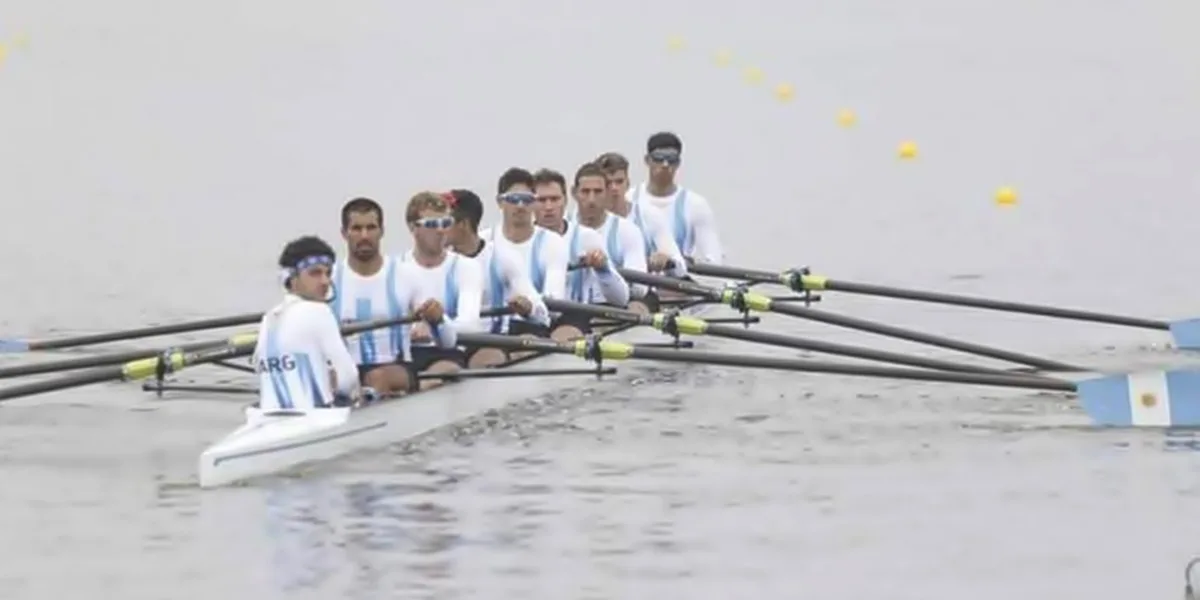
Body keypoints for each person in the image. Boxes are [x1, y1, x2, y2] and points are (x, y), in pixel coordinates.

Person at [329, 197, 453, 395]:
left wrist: (437, 320)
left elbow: (448, 343)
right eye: (357, 229)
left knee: (377, 378)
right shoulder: (330, 280)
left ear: (382, 231)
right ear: (344, 233)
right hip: (347, 370)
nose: (364, 235)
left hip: (396, 368)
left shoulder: (405, 275)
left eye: (371, 228)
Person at [254, 235, 369, 412]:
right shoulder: (319, 312)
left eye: (328, 273)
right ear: (291, 278)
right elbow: (349, 378)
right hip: (317, 420)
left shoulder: (268, 318)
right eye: (315, 273)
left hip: (266, 417)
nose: (325, 281)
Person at [443, 188, 551, 366]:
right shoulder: (438, 263)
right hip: (451, 345)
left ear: (463, 224)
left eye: (444, 223)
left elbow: (543, 314)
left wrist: (527, 307)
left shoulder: (502, 257)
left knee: (484, 361)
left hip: (493, 342)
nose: (438, 229)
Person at [480, 167, 588, 342]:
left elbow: (554, 305)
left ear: (533, 203)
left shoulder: (553, 242)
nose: (520, 206)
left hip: (539, 323)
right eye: (513, 199)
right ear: (500, 202)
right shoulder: (483, 242)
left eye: (526, 199)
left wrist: (529, 308)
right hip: (496, 326)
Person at [400, 191, 484, 389]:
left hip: (448, 352)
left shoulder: (466, 268)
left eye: (445, 224)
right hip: (405, 355)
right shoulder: (396, 270)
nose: (440, 231)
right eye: (431, 225)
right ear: (413, 228)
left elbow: (471, 326)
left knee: (435, 379)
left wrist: (436, 326)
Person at [531, 167, 631, 317]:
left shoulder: (587, 238)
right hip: (533, 317)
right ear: (530, 203)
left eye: (554, 199)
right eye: (542, 200)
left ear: (565, 200)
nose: (549, 207)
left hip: (575, 317)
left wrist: (602, 270)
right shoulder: (520, 242)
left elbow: (621, 299)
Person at [569, 161, 658, 314]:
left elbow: (639, 288)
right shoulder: (562, 229)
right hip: (574, 306)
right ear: (574, 193)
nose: (591, 199)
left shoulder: (627, 230)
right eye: (585, 192)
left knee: (636, 307)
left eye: (598, 192)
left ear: (607, 193)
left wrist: (604, 269)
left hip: (619, 305)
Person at [626, 132, 724, 264]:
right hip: (638, 280)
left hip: (678, 280)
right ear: (647, 160)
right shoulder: (628, 199)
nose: (665, 165)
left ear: (678, 163)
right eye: (659, 158)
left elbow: (714, 258)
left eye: (671, 159)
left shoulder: (696, 204)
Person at [595, 151, 688, 277]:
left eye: (619, 181)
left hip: (641, 292)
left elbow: (680, 267)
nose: (614, 188)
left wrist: (666, 261)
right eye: (608, 183)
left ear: (627, 183)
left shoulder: (650, 217)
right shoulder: (583, 221)